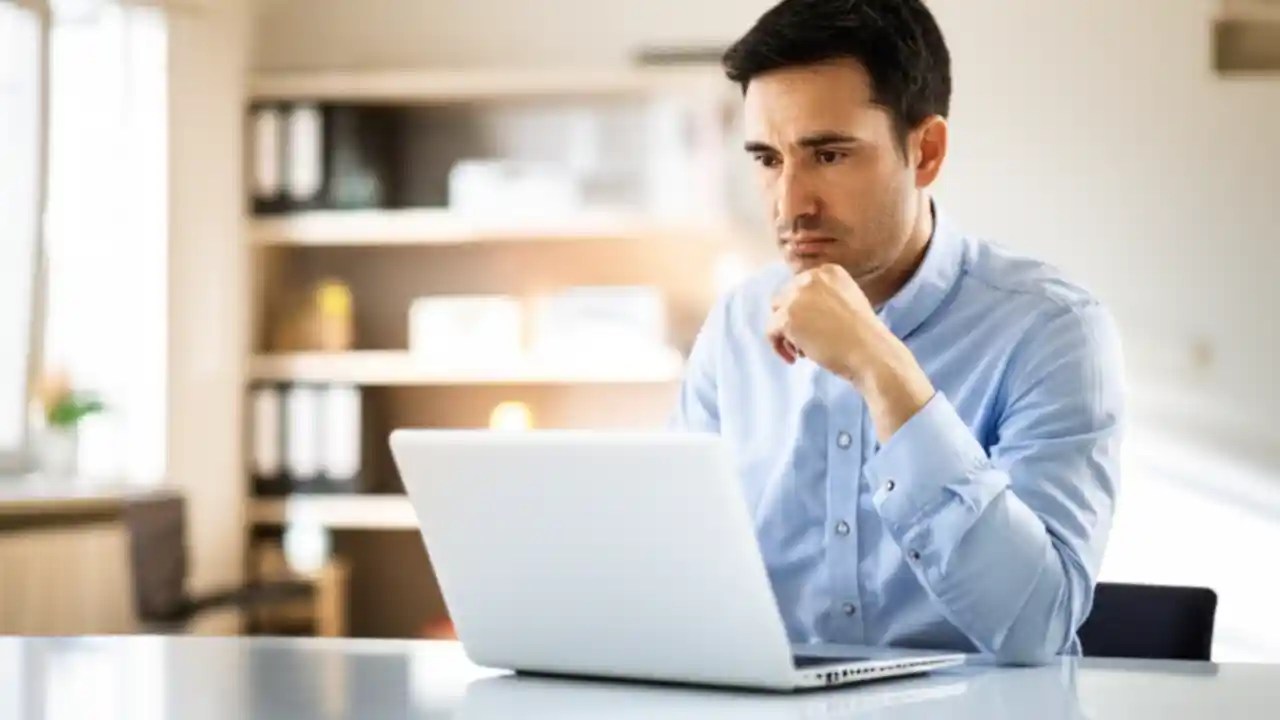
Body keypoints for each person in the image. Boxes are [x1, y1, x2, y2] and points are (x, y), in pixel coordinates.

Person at [672, 0, 1124, 665]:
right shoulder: (737, 329)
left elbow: (1036, 626)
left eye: (828, 154)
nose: (791, 203)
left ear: (927, 150)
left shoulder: (1053, 332)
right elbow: (681, 574)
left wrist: (880, 367)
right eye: (768, 159)